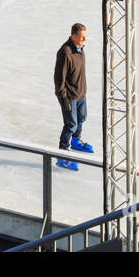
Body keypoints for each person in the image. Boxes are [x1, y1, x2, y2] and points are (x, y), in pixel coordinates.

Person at [54, 23, 92, 171]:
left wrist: (83, 91)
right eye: (82, 37)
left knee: (81, 118)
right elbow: (59, 79)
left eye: (85, 36)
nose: (85, 40)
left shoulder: (80, 49)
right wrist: (64, 98)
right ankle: (62, 155)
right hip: (69, 96)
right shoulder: (65, 52)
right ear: (73, 36)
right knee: (71, 124)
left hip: (81, 93)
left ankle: (76, 141)